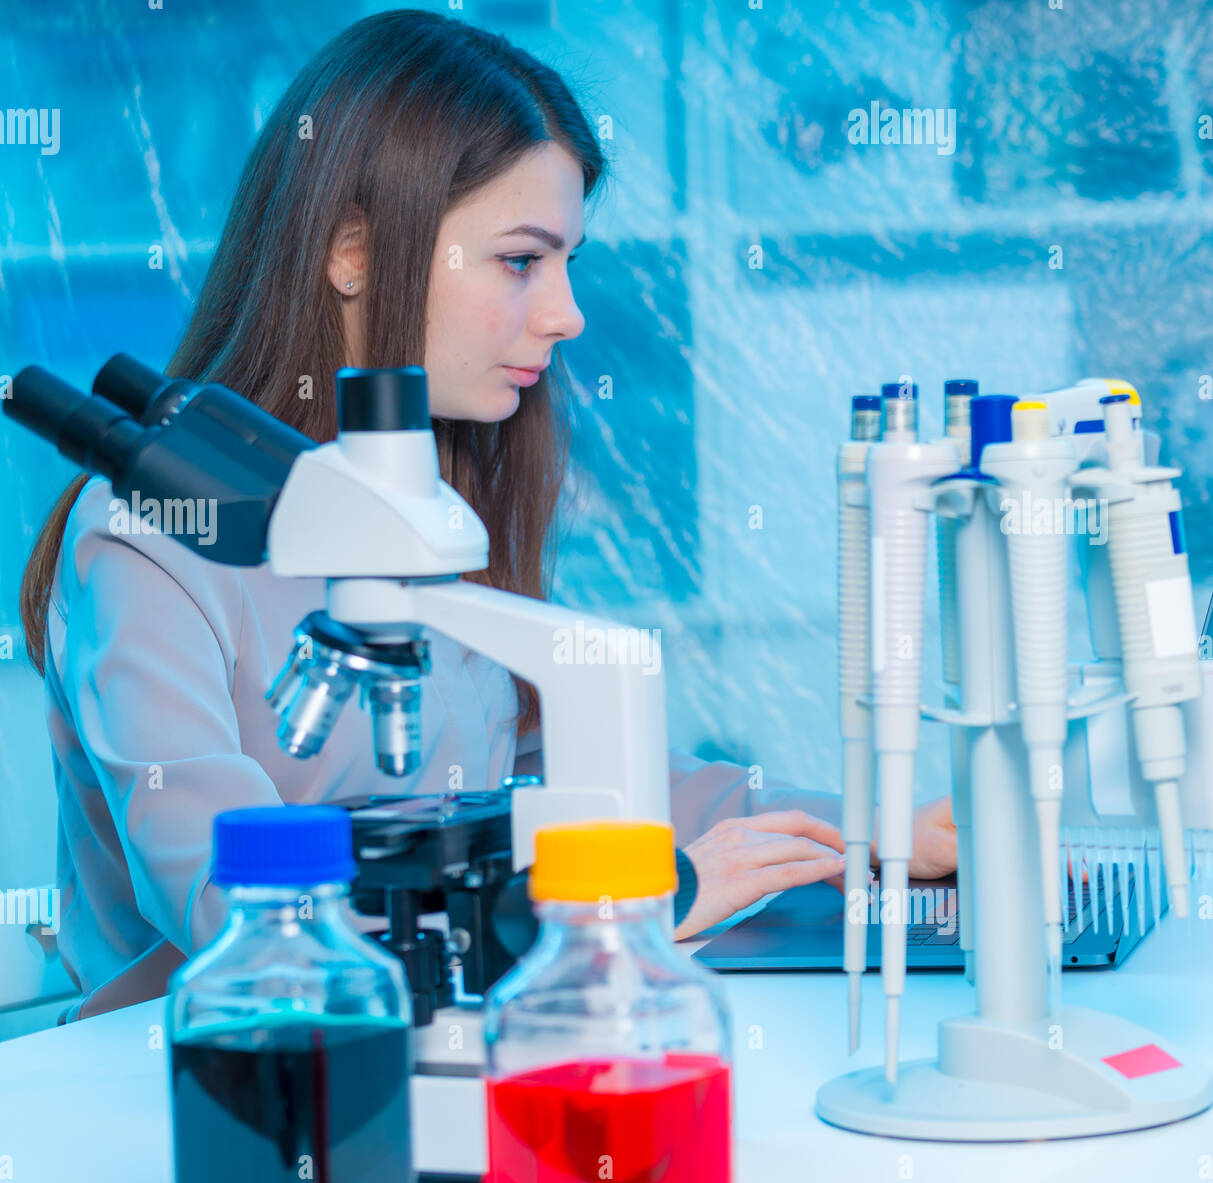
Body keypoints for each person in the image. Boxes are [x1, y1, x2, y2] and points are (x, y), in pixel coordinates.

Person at [18, 9, 955, 1024]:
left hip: (435, 1032)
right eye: (520, 261)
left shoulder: (433, 498)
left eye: (568, 263)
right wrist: (649, 894)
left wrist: (882, 827)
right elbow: (233, 907)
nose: (566, 313)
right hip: (193, 1071)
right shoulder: (146, 535)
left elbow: (573, 778)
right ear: (352, 254)